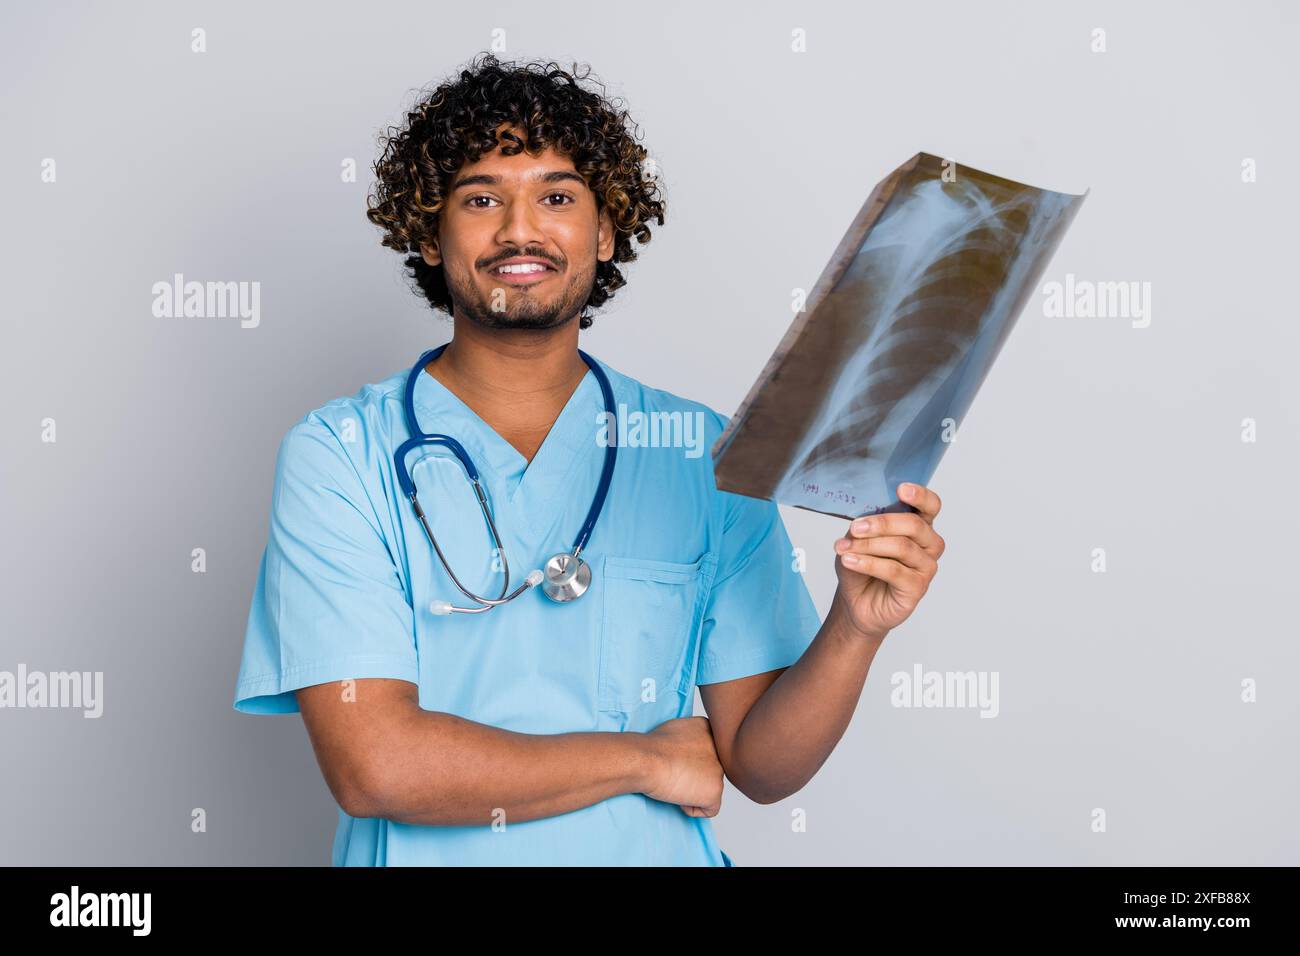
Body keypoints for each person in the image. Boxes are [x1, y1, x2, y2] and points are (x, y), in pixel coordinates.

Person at [232, 52, 945, 866]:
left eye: (558, 196)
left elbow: (762, 763)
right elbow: (376, 765)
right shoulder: (342, 455)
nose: (519, 229)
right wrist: (643, 759)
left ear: (605, 232)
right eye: (480, 198)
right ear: (429, 235)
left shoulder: (702, 454)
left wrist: (855, 627)